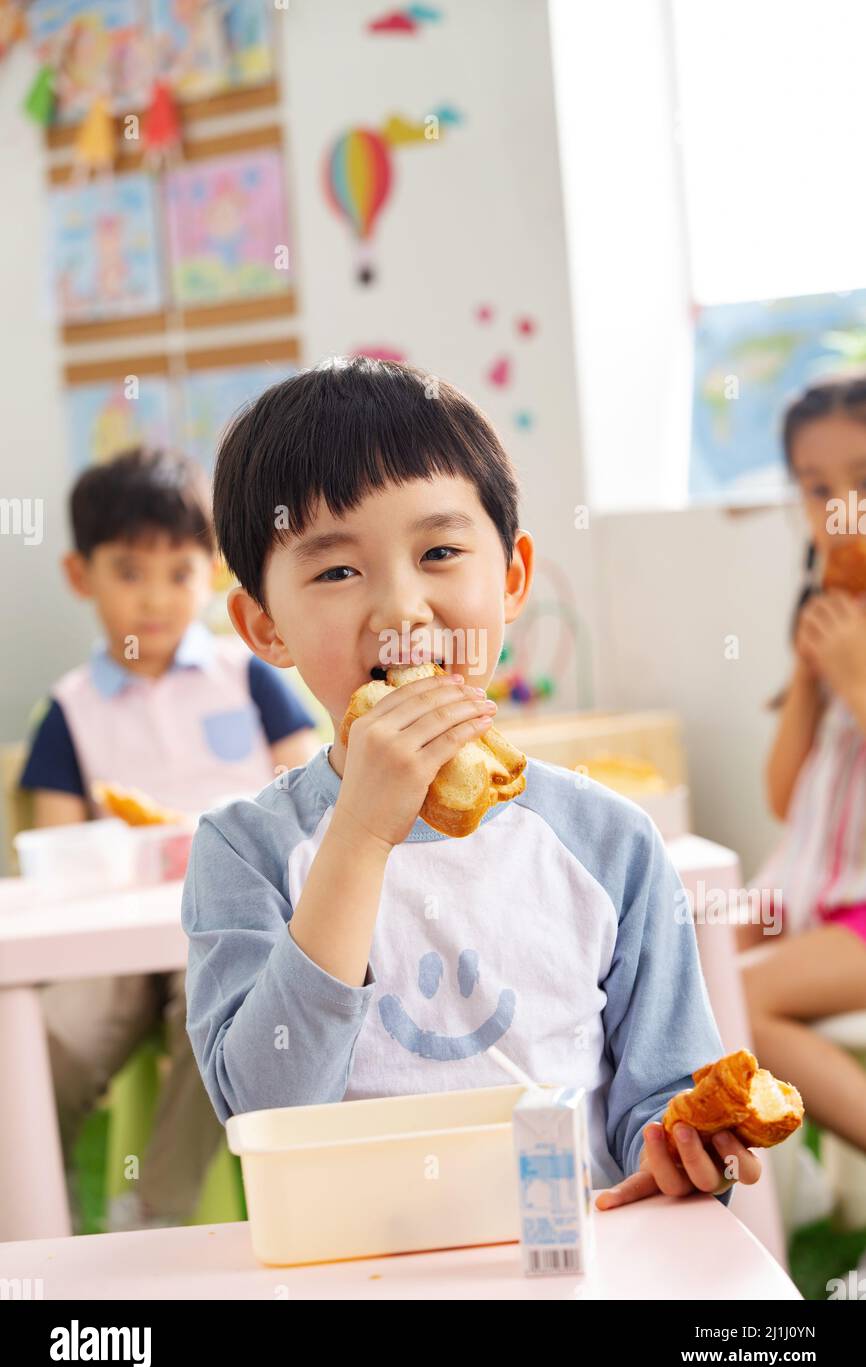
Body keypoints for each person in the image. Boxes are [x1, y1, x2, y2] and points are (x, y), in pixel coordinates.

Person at [182, 356, 762, 1210]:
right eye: (337, 571)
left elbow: (664, 1097)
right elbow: (267, 1115)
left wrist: (683, 1147)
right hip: (351, 1261)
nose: (402, 609)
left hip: (575, 1252)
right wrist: (359, 835)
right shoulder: (245, 852)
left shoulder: (609, 841)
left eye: (441, 552)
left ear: (513, 577)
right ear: (264, 625)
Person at [19, 446, 320, 1229]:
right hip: (114, 951)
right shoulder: (71, 710)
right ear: (81, 575)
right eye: (129, 572)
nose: (155, 598)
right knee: (51, 1038)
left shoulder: (246, 677)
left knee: (219, 1013)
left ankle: (154, 1209)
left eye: (179, 573)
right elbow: (59, 856)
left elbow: (310, 798)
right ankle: (34, 1205)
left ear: (212, 574)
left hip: (231, 927)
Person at [738, 376, 866, 1160]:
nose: (843, 509)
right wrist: (812, 677)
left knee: (736, 999)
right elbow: (784, 799)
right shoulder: (829, 615)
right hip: (806, 887)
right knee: (677, 965)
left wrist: (856, 677)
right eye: (818, 489)